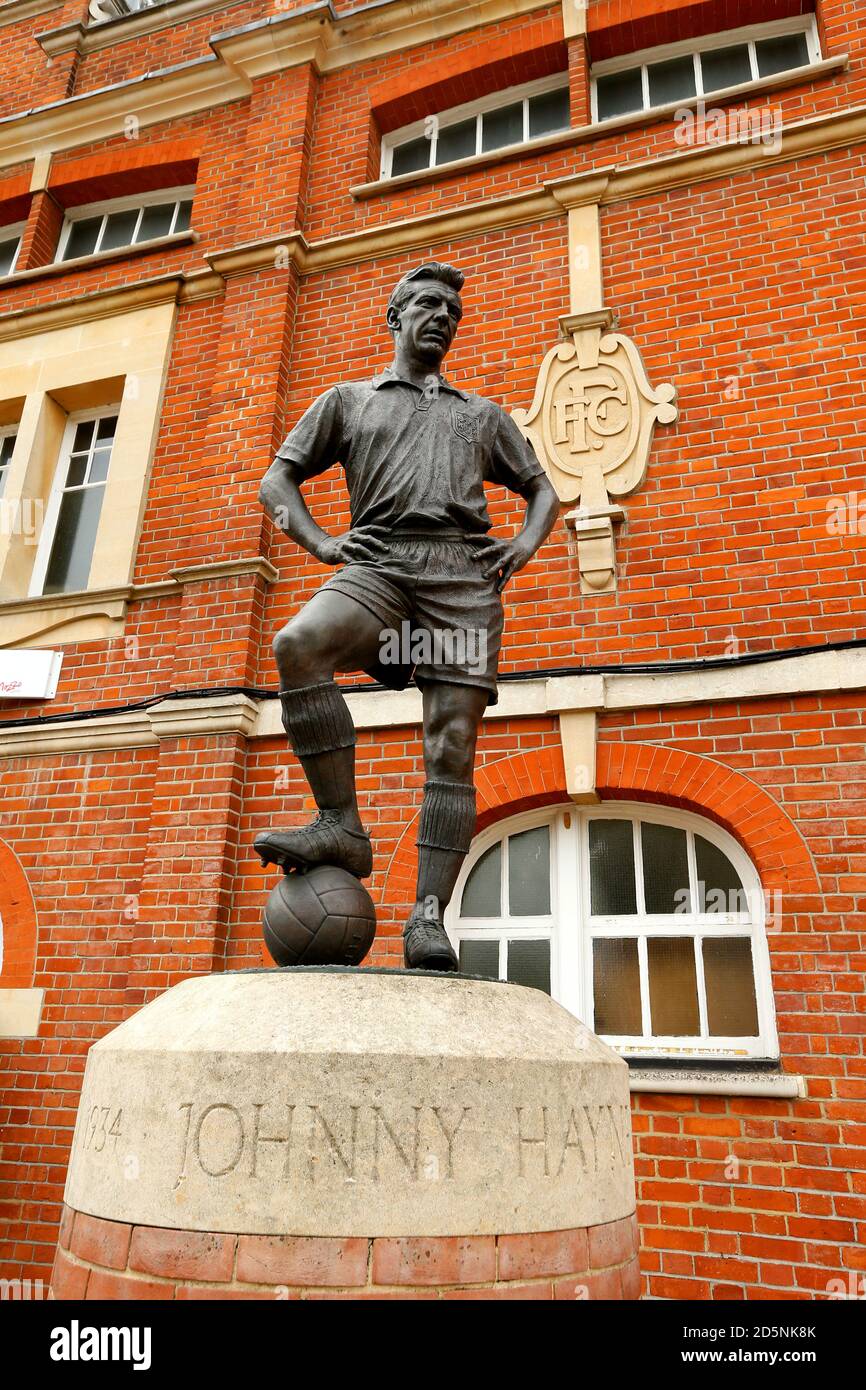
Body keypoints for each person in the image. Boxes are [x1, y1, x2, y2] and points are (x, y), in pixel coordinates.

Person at [256, 261, 559, 970]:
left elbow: (543, 491)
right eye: (427, 304)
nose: (442, 317)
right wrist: (323, 542)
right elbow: (278, 479)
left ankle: (427, 916)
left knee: (449, 747)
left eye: (452, 311)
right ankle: (341, 824)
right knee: (299, 644)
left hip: (460, 581)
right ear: (394, 317)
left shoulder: (479, 416)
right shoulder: (348, 400)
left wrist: (521, 544)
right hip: (380, 567)